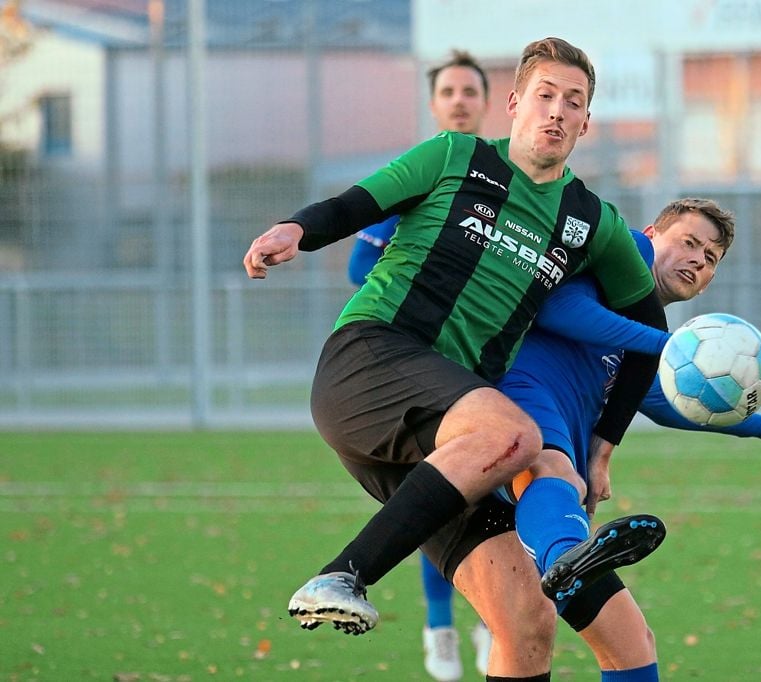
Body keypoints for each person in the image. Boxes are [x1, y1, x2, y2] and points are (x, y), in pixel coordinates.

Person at [243, 37, 668, 680]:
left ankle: (363, 578)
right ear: (515, 103)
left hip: (447, 436)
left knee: (527, 618)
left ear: (588, 123)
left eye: (573, 103)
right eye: (545, 96)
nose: (557, 112)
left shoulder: (592, 221)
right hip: (370, 359)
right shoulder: (454, 155)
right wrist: (295, 230)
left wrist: (605, 445)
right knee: (515, 434)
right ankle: (341, 576)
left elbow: (647, 328)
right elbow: (357, 205)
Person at [493, 197, 761, 679]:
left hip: (539, 487)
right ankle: (569, 555)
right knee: (558, 471)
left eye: (710, 258)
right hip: (515, 404)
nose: (698, 259)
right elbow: (557, 308)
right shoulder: (623, 252)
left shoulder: (649, 337)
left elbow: (668, 402)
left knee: (562, 636)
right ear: (651, 233)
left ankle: (565, 555)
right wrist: (672, 347)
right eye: (689, 242)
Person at [347, 48, 493, 682]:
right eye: (449, 91)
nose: (460, 100)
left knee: (492, 492)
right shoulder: (418, 173)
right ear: (434, 104)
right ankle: (441, 631)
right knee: (432, 497)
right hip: (418, 367)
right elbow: (359, 269)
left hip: (487, 366)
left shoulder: (509, 181)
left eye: (470, 90)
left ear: (489, 103)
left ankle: (493, 619)